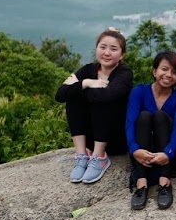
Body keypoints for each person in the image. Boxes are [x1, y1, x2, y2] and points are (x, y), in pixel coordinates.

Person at [55, 28, 134, 184]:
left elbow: (107, 96)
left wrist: (77, 87)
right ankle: (81, 155)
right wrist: (86, 82)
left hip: (115, 139)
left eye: (113, 49)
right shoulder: (88, 70)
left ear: (122, 54)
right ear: (96, 48)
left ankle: (100, 158)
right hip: (91, 138)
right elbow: (60, 95)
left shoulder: (124, 74)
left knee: (99, 99)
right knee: (74, 98)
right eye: (102, 47)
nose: (107, 52)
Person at [125, 50, 176, 210]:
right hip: (144, 152)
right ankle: (141, 183)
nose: (168, 75)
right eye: (164, 69)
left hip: (172, 151)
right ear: (154, 71)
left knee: (161, 116)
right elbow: (130, 123)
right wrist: (135, 150)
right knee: (144, 116)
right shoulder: (139, 92)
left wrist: (168, 153)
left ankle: (165, 181)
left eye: (174, 72)